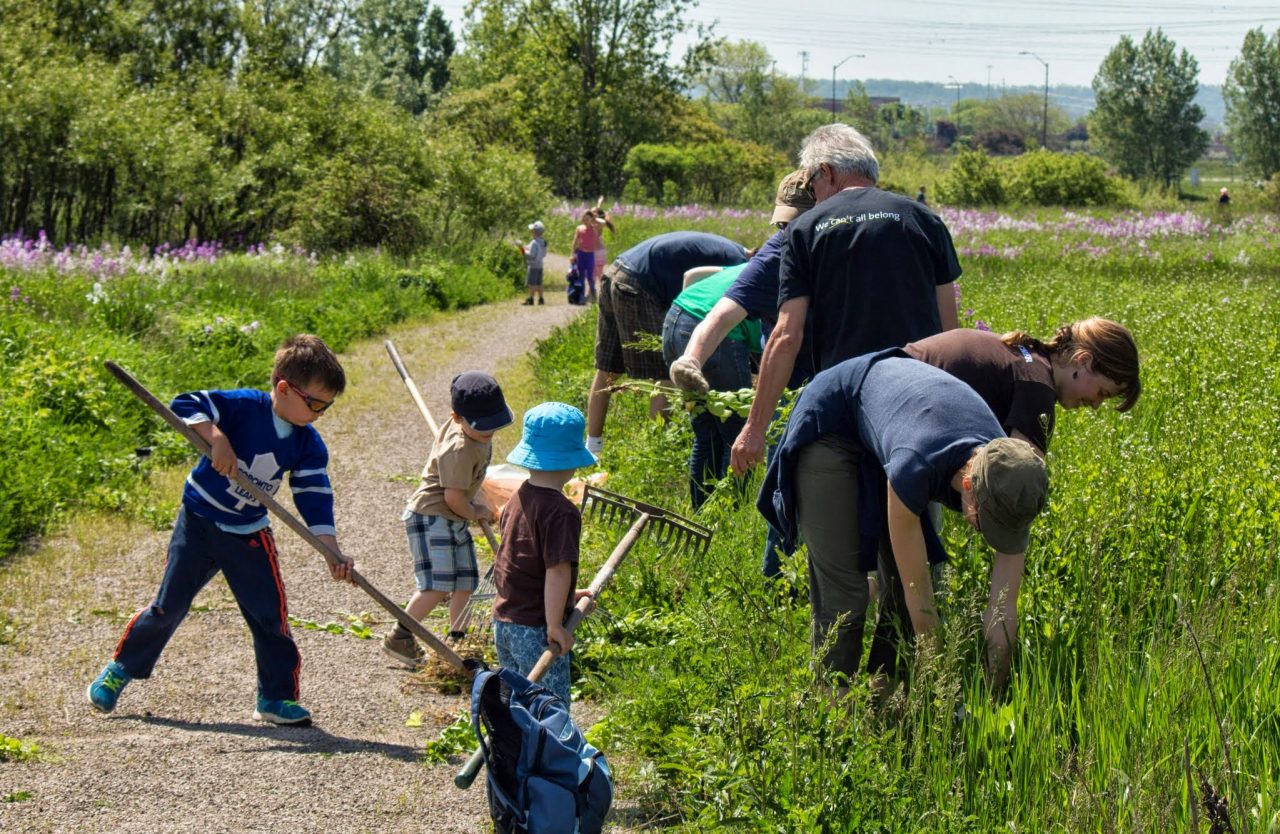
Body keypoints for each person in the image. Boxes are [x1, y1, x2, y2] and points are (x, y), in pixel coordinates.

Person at [86, 334, 356, 726]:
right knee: (169, 606)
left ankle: (276, 698)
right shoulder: (243, 407)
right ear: (284, 388)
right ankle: (120, 669)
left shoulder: (307, 443)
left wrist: (330, 547)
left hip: (248, 532)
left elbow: (314, 493)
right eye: (315, 403)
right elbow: (186, 403)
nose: (320, 412)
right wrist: (217, 439)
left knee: (270, 615)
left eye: (326, 406)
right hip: (199, 521)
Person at [759, 349, 1048, 694]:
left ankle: (885, 696)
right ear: (968, 486)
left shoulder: (1015, 480)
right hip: (834, 418)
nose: (988, 532)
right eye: (986, 522)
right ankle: (831, 711)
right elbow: (920, 600)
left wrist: (993, 690)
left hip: (897, 417)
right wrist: (942, 691)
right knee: (847, 593)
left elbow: (1003, 608)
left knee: (897, 584)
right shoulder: (917, 464)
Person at [731, 124, 962, 476]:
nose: (814, 196)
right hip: (918, 401)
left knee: (835, 517)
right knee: (912, 513)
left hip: (846, 401)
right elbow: (951, 332)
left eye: (811, 185)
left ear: (826, 171)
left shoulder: (805, 229)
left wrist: (754, 428)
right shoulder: (925, 219)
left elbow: (786, 336)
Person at [664, 169, 817, 510]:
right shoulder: (774, 259)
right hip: (709, 332)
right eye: (783, 225)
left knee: (712, 429)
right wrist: (691, 359)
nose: (788, 231)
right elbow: (720, 318)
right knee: (736, 429)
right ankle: (733, 509)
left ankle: (709, 510)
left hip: (679, 314)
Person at [381, 371, 514, 668]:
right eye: (483, 429)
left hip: (453, 516)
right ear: (456, 418)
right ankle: (400, 635)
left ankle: (459, 642)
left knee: (466, 581)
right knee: (438, 585)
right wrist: (477, 511)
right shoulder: (460, 448)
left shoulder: (471, 431)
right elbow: (454, 498)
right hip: (431, 516)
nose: (489, 433)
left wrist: (472, 499)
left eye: (494, 426)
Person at [587, 232, 749, 457]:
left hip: (618, 269)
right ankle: (660, 449)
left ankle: (592, 448)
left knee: (607, 369)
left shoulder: (732, 252)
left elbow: (691, 284)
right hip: (640, 282)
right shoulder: (742, 266)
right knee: (665, 372)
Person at [904, 318, 1142, 454]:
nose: (1096, 405)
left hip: (884, 389)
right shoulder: (1037, 387)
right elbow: (1016, 489)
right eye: (1102, 392)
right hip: (893, 413)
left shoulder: (1027, 357)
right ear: (1083, 361)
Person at [493, 402, 597, 706]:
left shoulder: (517, 498)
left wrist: (567, 596)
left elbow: (524, 562)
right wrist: (554, 625)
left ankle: (521, 754)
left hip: (505, 622)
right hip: (536, 630)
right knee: (549, 710)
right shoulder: (561, 512)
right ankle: (549, 755)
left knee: (518, 707)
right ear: (571, 461)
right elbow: (557, 570)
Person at [572, 211, 602, 303]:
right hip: (581, 254)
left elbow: (602, 223)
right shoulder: (579, 228)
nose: (585, 221)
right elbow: (575, 241)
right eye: (584, 219)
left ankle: (593, 294)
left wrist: (594, 218)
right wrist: (572, 254)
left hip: (590, 255)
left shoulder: (595, 228)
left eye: (587, 219)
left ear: (591, 219)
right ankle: (581, 297)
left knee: (590, 276)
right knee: (581, 276)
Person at [520, 221, 548, 306]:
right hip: (540, 265)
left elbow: (531, 255)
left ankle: (531, 299)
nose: (531, 232)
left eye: (532, 231)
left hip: (533, 265)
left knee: (531, 283)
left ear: (534, 232)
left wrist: (522, 251)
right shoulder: (543, 242)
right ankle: (541, 299)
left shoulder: (534, 242)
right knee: (539, 283)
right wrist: (524, 247)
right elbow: (543, 253)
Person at [590, 207, 615, 298]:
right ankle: (592, 293)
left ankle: (605, 293)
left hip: (598, 252)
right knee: (592, 273)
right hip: (591, 251)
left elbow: (603, 221)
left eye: (593, 213)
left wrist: (595, 216)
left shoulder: (598, 224)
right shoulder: (591, 223)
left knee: (599, 274)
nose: (591, 214)